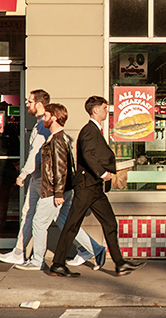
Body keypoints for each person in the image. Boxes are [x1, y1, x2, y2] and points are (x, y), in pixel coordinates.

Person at [49, 96, 145, 277]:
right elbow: (88, 155)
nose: (106, 111)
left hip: (95, 188)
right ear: (95, 110)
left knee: (109, 222)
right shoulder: (89, 130)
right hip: (86, 187)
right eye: (103, 108)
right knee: (72, 224)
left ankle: (119, 263)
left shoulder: (95, 130)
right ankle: (57, 264)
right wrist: (103, 173)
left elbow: (95, 155)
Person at [15, 103, 105, 271]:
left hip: (54, 190)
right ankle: (95, 249)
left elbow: (60, 168)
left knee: (39, 223)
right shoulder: (60, 137)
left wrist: (57, 193)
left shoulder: (56, 140)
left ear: (54, 118)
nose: (43, 119)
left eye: (46, 116)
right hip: (62, 189)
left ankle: (37, 261)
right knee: (65, 222)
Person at [0, 90, 51, 258]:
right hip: (38, 177)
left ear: (39, 104)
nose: (27, 104)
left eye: (30, 101)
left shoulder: (43, 125)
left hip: (41, 178)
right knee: (30, 213)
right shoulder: (40, 123)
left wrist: (23, 173)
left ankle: (92, 249)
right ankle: (19, 252)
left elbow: (36, 153)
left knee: (39, 216)